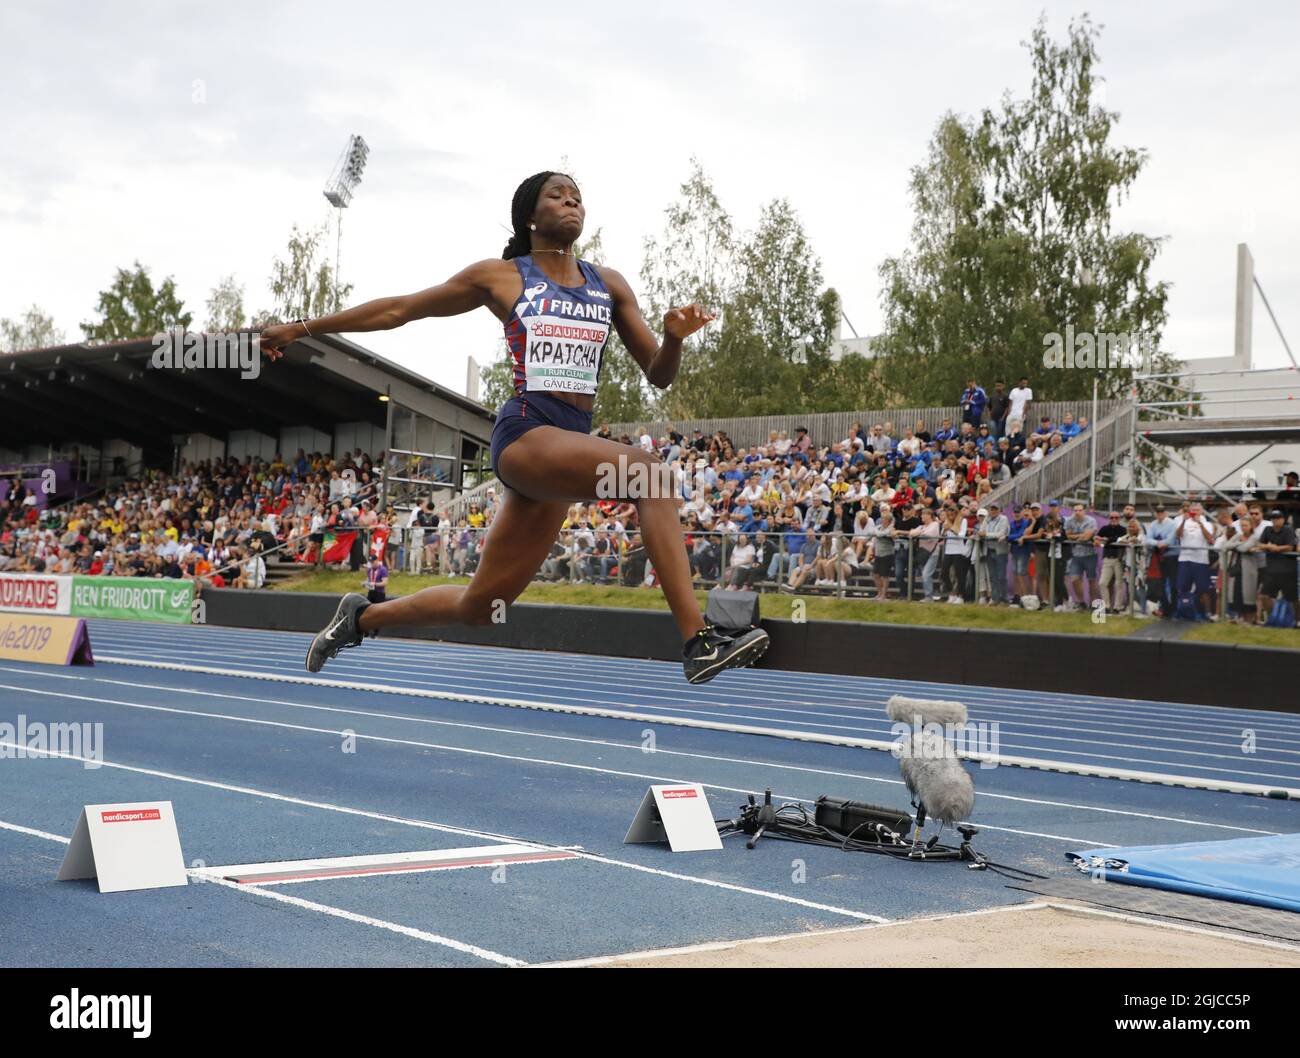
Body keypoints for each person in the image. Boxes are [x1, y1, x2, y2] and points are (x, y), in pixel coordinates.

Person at [262, 172, 768, 683]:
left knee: (483, 605)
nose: (571, 202)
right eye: (557, 195)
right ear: (529, 216)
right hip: (526, 434)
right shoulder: (502, 277)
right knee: (650, 476)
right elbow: (400, 310)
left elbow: (658, 375)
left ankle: (360, 617)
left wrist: (673, 338)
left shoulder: (609, 284)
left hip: (563, 450)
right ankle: (698, 641)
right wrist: (301, 329)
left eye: (577, 197)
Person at [1257, 508, 1298, 625]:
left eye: (1277, 518)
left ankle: (1297, 621)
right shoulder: (1267, 529)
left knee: (1293, 598)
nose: (1275, 520)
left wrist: (1277, 548)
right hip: (1271, 569)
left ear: (1283, 519)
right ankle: (1272, 619)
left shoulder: (1288, 530)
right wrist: (1269, 547)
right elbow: (1259, 544)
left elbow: (1290, 547)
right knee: (1264, 596)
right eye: (1273, 518)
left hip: (1287, 570)